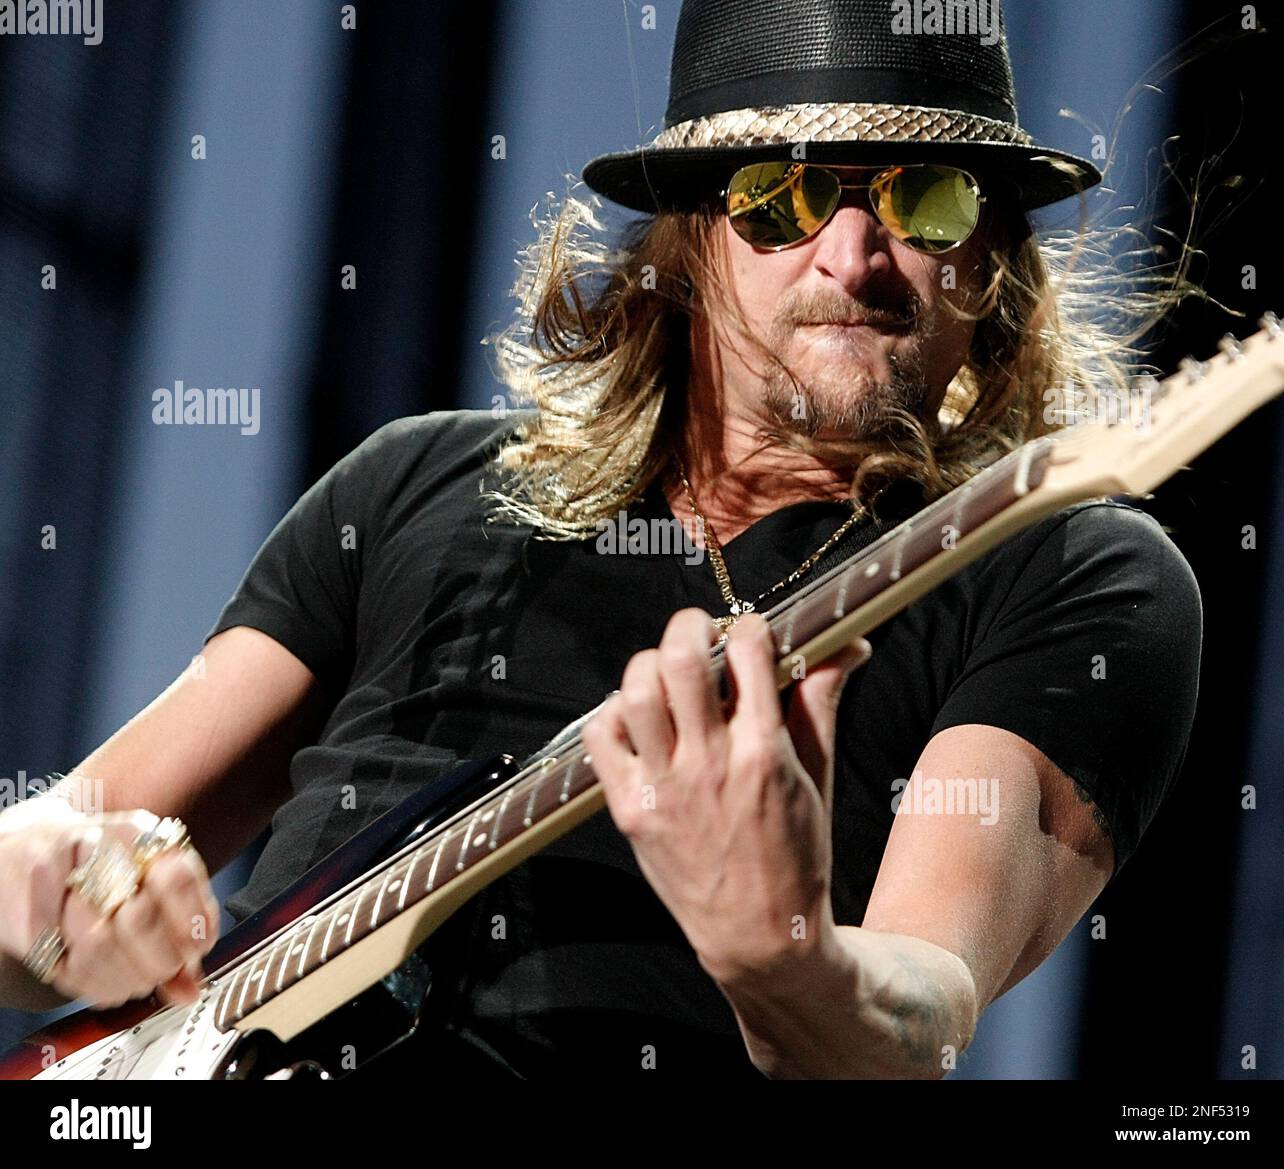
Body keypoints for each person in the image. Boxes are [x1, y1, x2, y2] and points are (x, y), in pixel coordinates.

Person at [0, 0, 1202, 1079]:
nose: (850, 255)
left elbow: (921, 1006)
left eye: (919, 196)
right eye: (778, 198)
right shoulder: (421, 477)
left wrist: (786, 963)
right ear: (685, 241)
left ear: (991, 258)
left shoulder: (1068, 571)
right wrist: (46, 878)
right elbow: (68, 842)